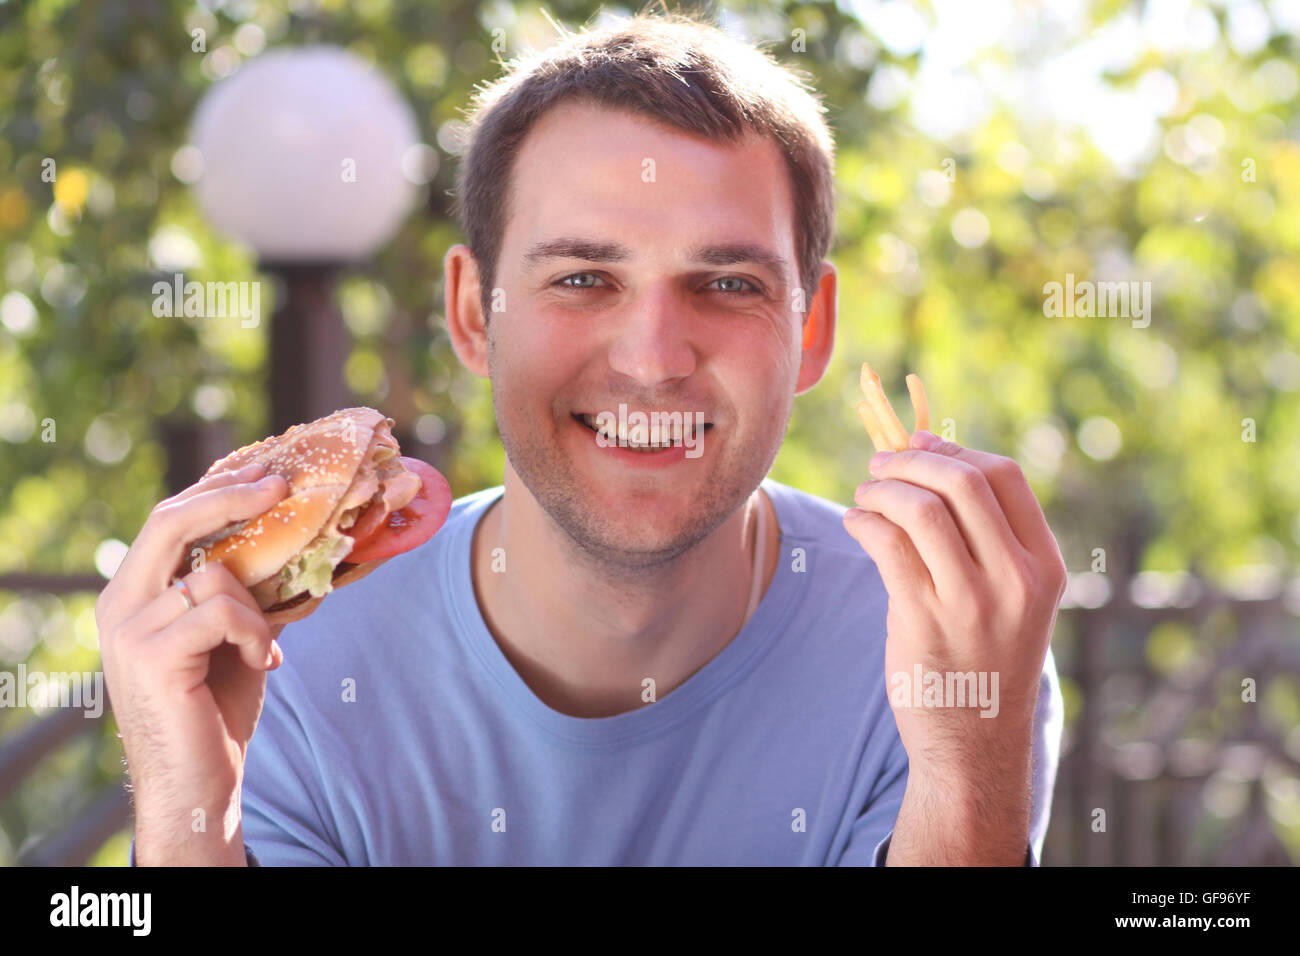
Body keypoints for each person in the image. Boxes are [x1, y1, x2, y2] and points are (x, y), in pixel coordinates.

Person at [99, 10, 1066, 866]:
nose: (652, 358)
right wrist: (188, 819)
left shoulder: (942, 647)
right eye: (582, 279)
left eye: (728, 284)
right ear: (475, 313)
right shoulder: (280, 661)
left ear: (809, 333)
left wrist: (964, 762)